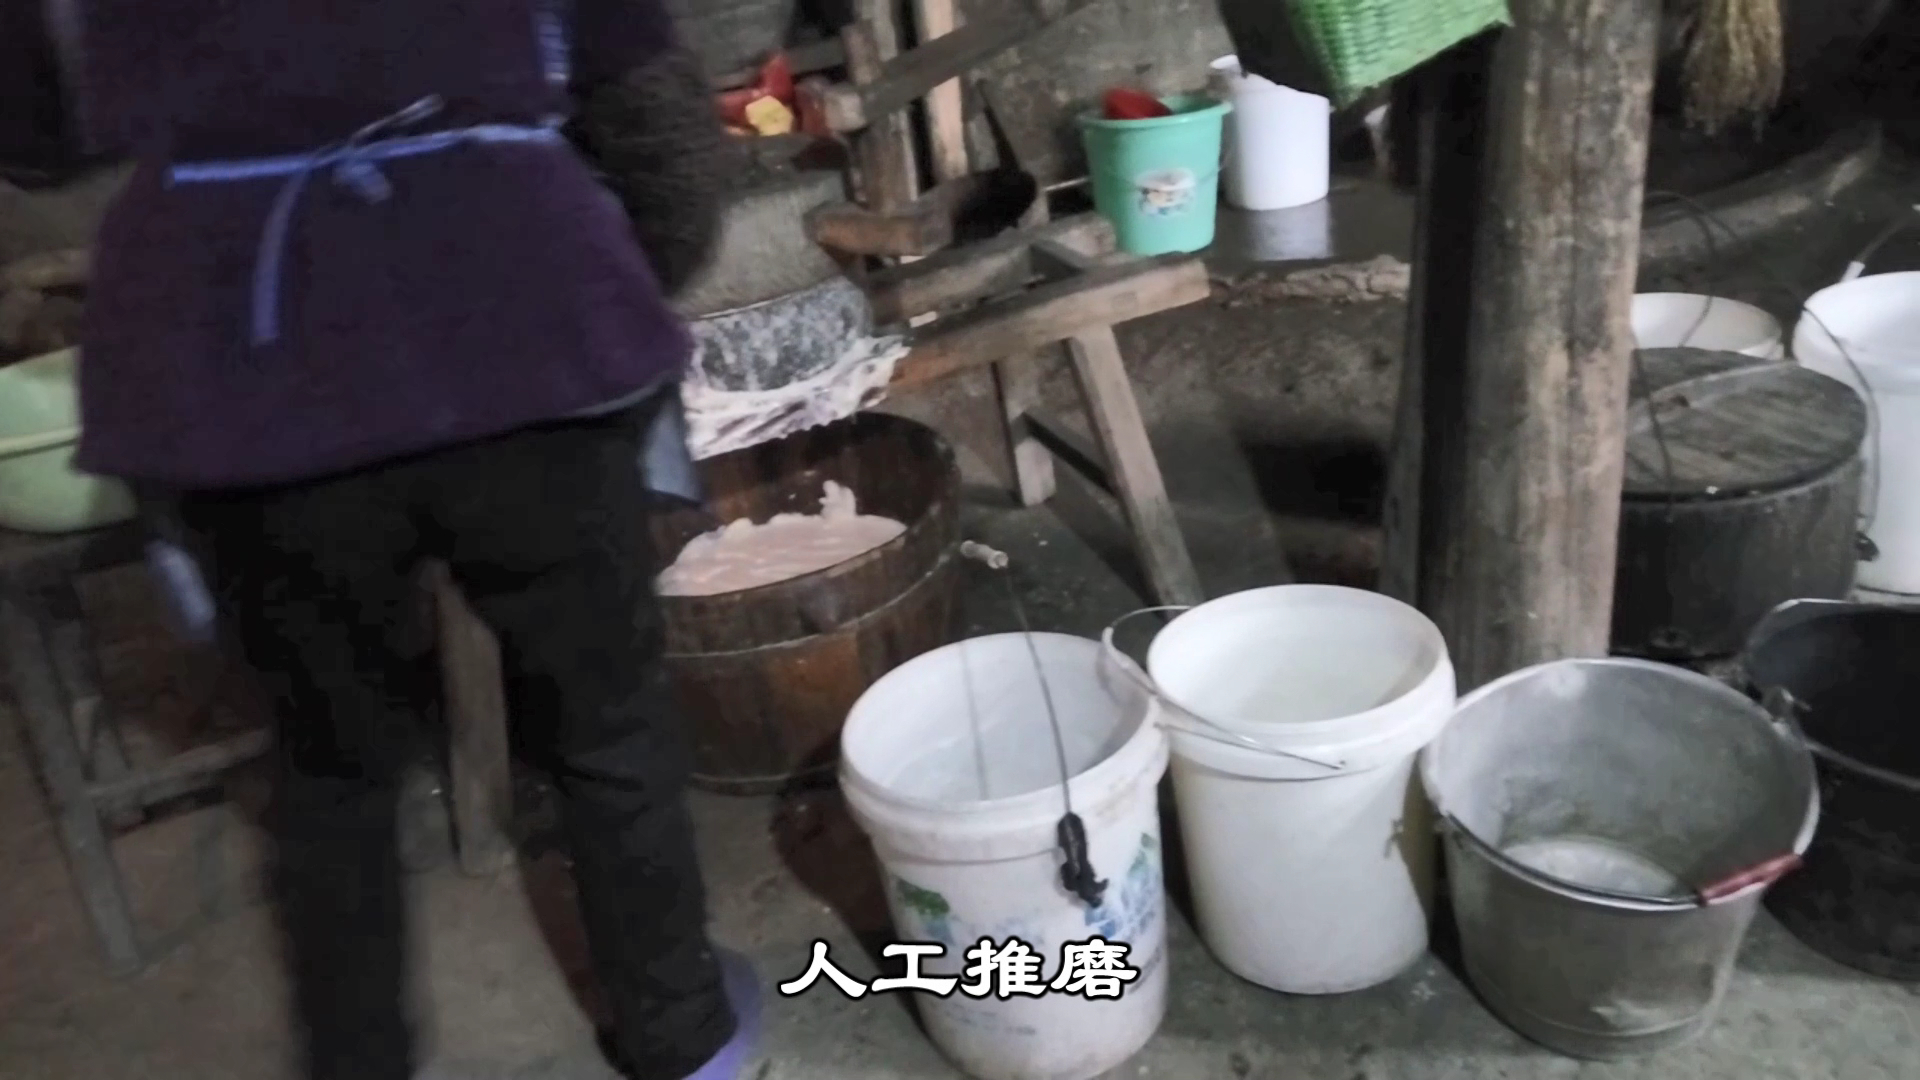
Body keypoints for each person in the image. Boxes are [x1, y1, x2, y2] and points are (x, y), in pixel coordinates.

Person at [7, 2, 758, 1078]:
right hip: (526, 339)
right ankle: (684, 1039)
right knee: (611, 727)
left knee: (332, 774)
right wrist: (603, 277)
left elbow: (33, 141)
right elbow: (660, 134)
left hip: (248, 380)